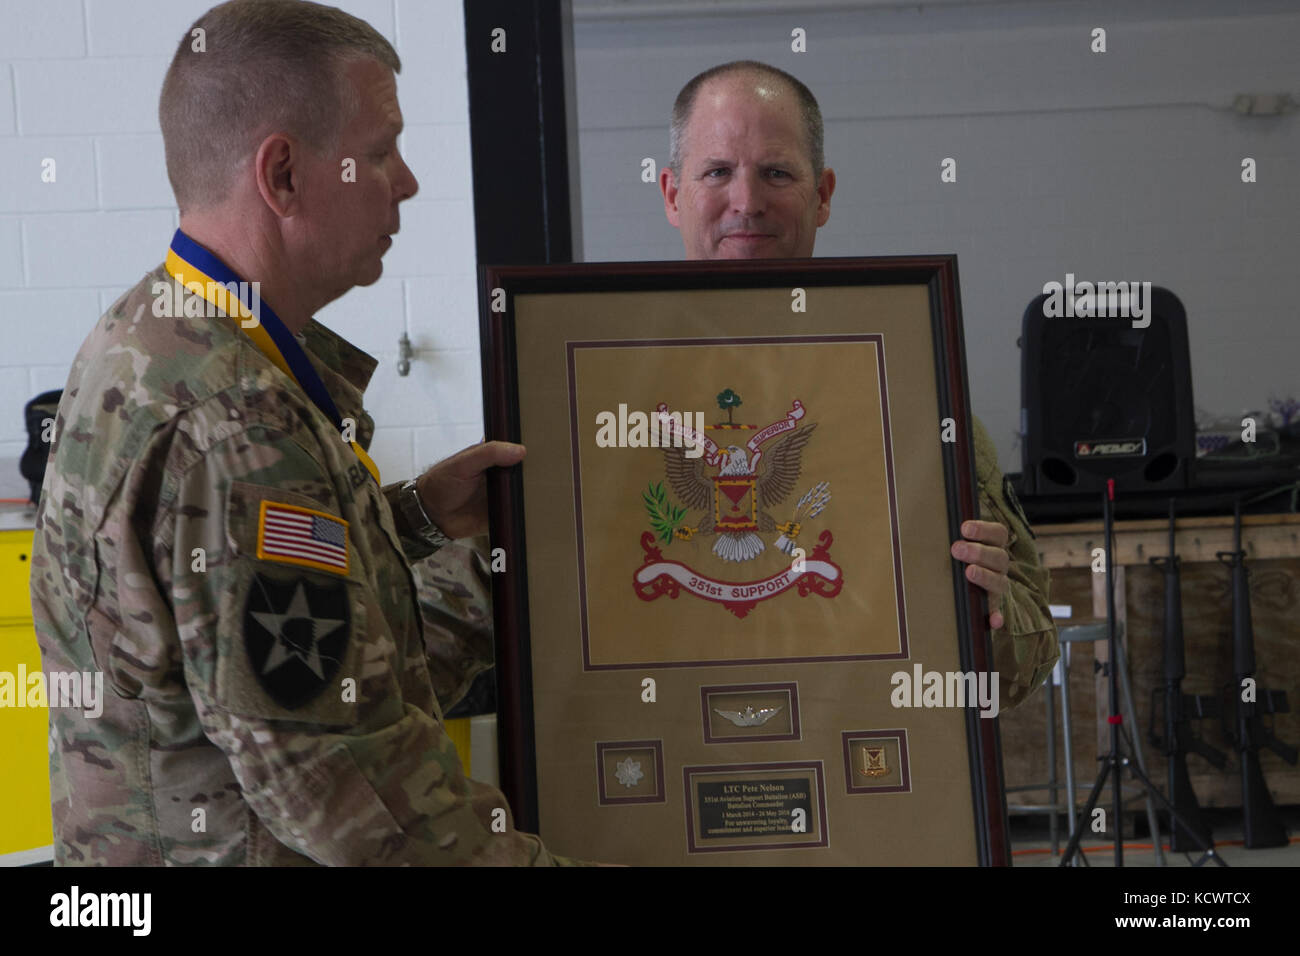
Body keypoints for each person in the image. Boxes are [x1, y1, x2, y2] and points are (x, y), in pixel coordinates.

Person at [29, 0, 574, 866]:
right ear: (281, 175)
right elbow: (345, 791)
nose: (408, 182)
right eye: (381, 152)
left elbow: (249, 607)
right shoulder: (237, 426)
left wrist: (421, 515)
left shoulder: (153, 333)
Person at [658, 61, 1058, 710]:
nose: (747, 200)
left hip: (865, 778)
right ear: (673, 193)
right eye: (718, 172)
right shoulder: (594, 393)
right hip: (666, 775)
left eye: (777, 172)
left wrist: (992, 607)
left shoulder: (916, 389)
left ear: (823, 194)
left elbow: (1023, 669)